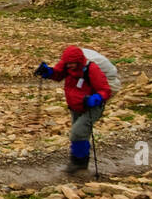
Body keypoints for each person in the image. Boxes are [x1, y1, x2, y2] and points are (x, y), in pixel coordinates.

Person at [34, 45, 110, 174]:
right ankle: (81, 164)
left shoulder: (92, 69)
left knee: (77, 133)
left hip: (92, 108)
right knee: (80, 135)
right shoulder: (67, 64)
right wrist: (48, 72)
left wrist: (95, 99)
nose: (69, 66)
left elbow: (105, 90)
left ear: (79, 61)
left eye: (72, 63)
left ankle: (78, 163)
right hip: (76, 106)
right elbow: (58, 74)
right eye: (67, 63)